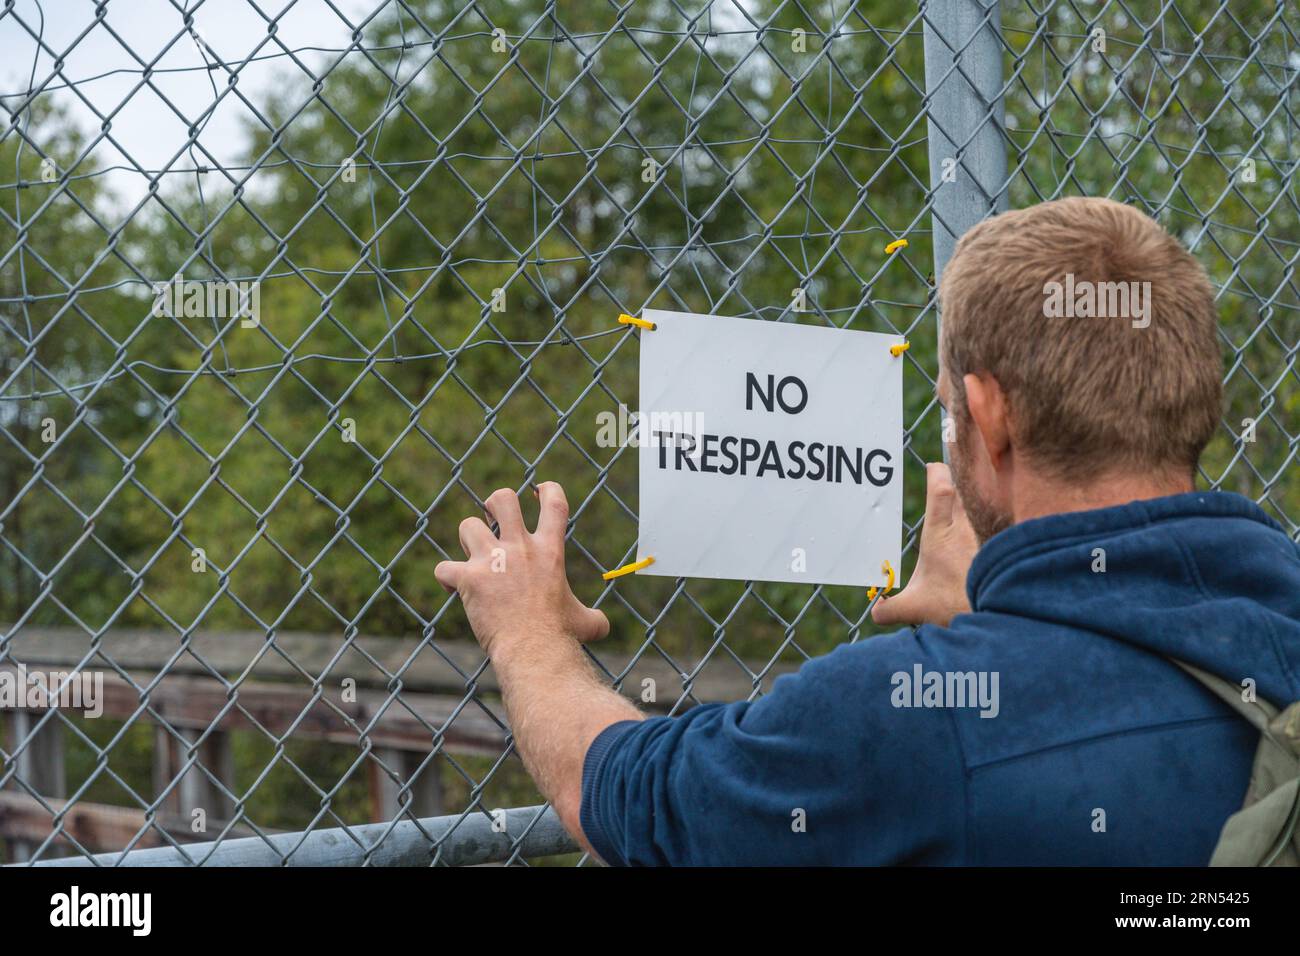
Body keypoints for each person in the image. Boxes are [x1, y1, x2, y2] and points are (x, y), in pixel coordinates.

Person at [433, 197, 1300, 865]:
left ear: (989, 416)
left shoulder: (909, 717)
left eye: (948, 410)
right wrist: (1002, 627)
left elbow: (628, 799)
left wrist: (527, 634)